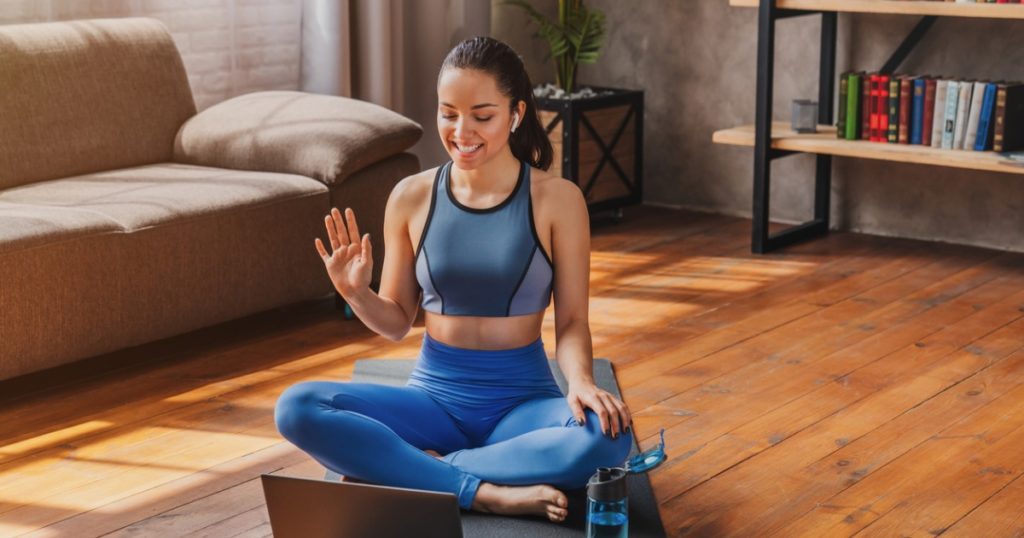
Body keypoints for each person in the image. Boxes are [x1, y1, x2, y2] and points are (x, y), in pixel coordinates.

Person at [274, 36, 633, 523]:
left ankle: (420, 471)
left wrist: (583, 382)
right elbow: (398, 321)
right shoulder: (410, 196)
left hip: (523, 404)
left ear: (516, 113)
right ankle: (485, 490)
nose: (462, 131)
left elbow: (571, 321)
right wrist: (356, 293)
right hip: (432, 400)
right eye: (448, 113)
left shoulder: (559, 200)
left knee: (609, 436)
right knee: (295, 408)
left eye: (482, 116)